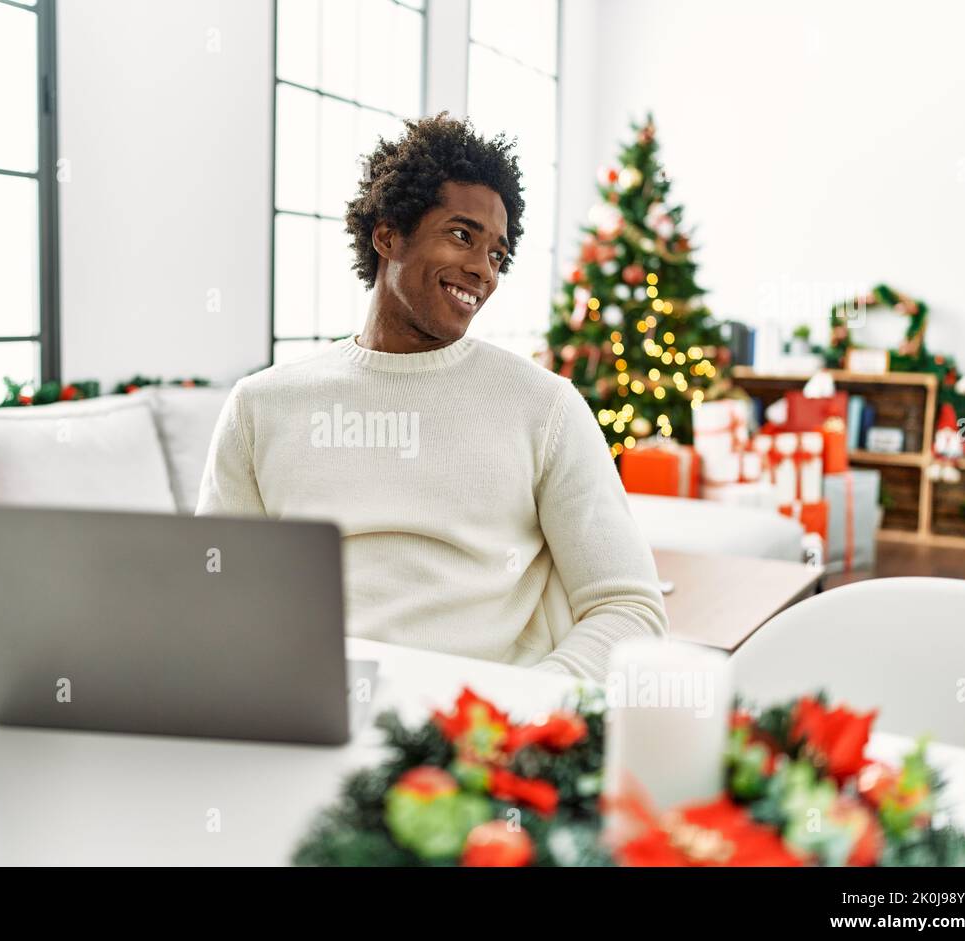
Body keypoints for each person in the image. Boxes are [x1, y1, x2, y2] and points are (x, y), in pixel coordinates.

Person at [197, 113, 667, 680]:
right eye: (462, 235)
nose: (482, 271)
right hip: (314, 708)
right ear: (388, 234)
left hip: (484, 730)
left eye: (497, 254)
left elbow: (630, 608)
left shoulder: (545, 407)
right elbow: (217, 595)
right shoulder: (261, 406)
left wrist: (523, 708)